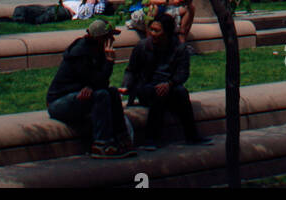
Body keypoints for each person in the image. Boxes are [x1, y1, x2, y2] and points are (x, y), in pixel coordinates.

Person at [46, 19, 134, 158]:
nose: (111, 40)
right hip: (59, 103)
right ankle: (102, 144)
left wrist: (92, 86)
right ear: (99, 38)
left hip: (81, 97)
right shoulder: (80, 52)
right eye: (108, 37)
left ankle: (122, 138)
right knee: (101, 95)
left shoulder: (97, 51)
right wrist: (109, 62)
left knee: (111, 93)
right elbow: (96, 80)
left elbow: (100, 84)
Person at [120, 13, 206, 150]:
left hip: (169, 85)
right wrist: (126, 86)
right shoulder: (142, 47)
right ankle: (150, 139)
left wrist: (170, 83)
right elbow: (131, 70)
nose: (152, 33)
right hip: (146, 88)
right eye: (151, 30)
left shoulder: (179, 48)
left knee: (182, 92)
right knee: (158, 93)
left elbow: (183, 73)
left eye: (157, 30)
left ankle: (192, 135)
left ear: (167, 33)